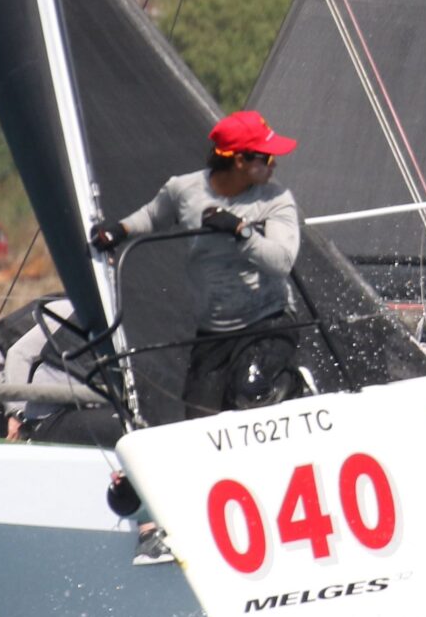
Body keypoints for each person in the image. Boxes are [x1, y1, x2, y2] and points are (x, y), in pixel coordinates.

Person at [90, 109, 305, 420]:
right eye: (267, 157)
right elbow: (153, 216)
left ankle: (297, 385)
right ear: (240, 160)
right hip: (213, 331)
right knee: (198, 420)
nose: (274, 164)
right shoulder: (183, 189)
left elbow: (282, 262)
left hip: (269, 321)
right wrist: (119, 231)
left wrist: (241, 233)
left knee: (250, 391)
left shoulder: (277, 198)